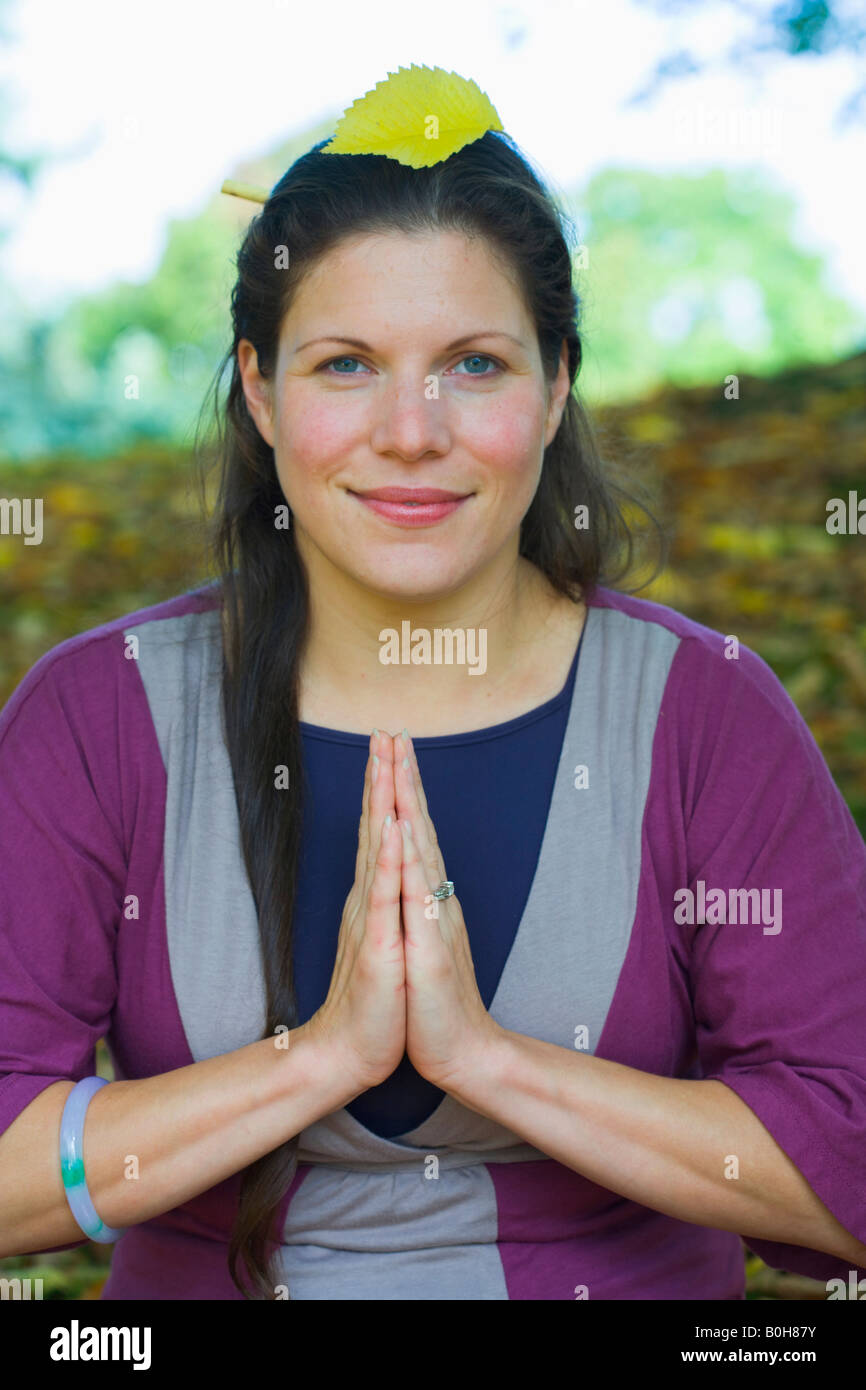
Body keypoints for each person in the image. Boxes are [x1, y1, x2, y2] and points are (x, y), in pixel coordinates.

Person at [1, 67, 865, 1301]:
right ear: (259, 389)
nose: (411, 430)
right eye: (346, 364)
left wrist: (490, 1060)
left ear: (556, 381)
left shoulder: (702, 718)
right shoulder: (101, 718)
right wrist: (319, 1060)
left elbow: (845, 1160)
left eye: (472, 365)